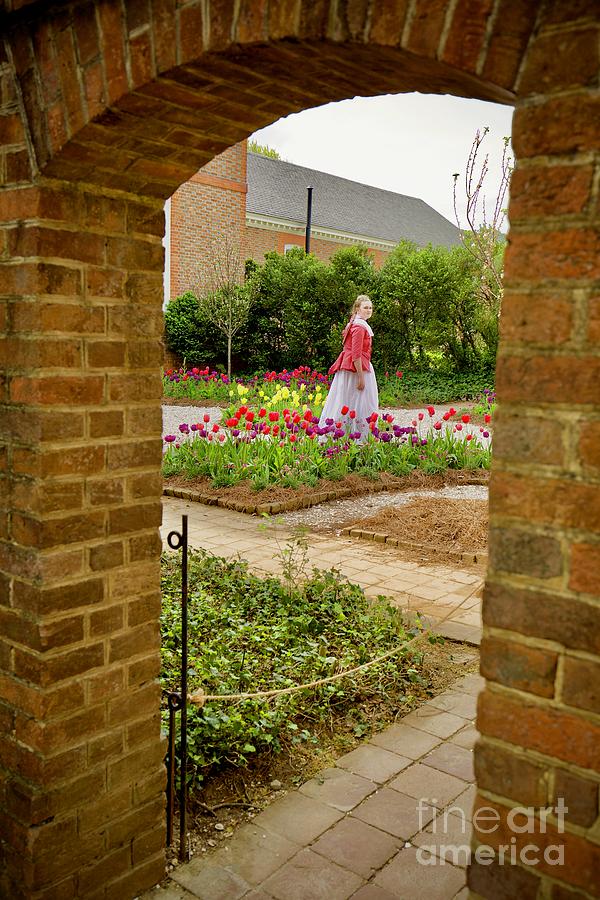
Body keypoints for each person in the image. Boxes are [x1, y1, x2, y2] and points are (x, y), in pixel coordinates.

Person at [318, 294, 379, 439]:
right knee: (360, 401)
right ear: (357, 309)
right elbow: (356, 355)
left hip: (352, 367)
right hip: (356, 368)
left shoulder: (356, 323)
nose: (369, 310)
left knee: (347, 399)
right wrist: (361, 377)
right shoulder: (359, 327)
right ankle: (358, 434)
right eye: (365, 307)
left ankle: (348, 432)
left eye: (370, 308)